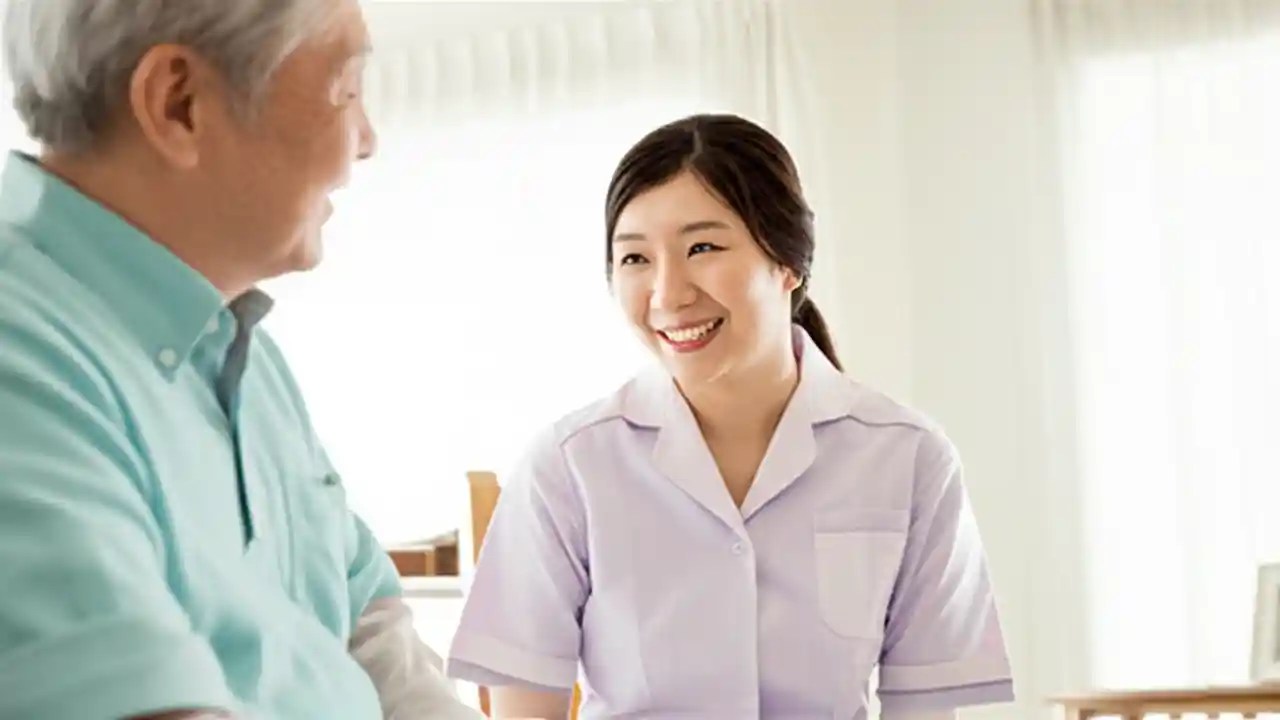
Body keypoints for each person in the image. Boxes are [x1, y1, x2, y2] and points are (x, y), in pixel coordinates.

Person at [0, 1, 482, 718]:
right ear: (179, 103)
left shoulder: (247, 357)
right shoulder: (22, 352)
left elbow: (371, 630)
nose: (369, 139)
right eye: (345, 87)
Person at [445, 113, 1015, 719]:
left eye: (702, 248)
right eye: (635, 259)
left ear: (788, 263)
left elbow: (925, 706)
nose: (668, 293)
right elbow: (525, 709)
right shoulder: (568, 467)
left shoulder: (908, 457)